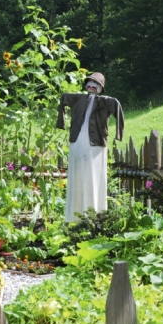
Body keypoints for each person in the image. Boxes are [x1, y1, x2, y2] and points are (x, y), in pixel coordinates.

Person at [56, 72, 124, 223]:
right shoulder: (78, 98)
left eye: (96, 84)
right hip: (76, 144)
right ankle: (74, 218)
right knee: (77, 178)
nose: (92, 87)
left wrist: (118, 134)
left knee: (94, 177)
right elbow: (63, 98)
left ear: (100, 87)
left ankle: (94, 217)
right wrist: (61, 123)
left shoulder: (106, 101)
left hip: (96, 146)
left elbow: (117, 106)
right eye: (90, 83)